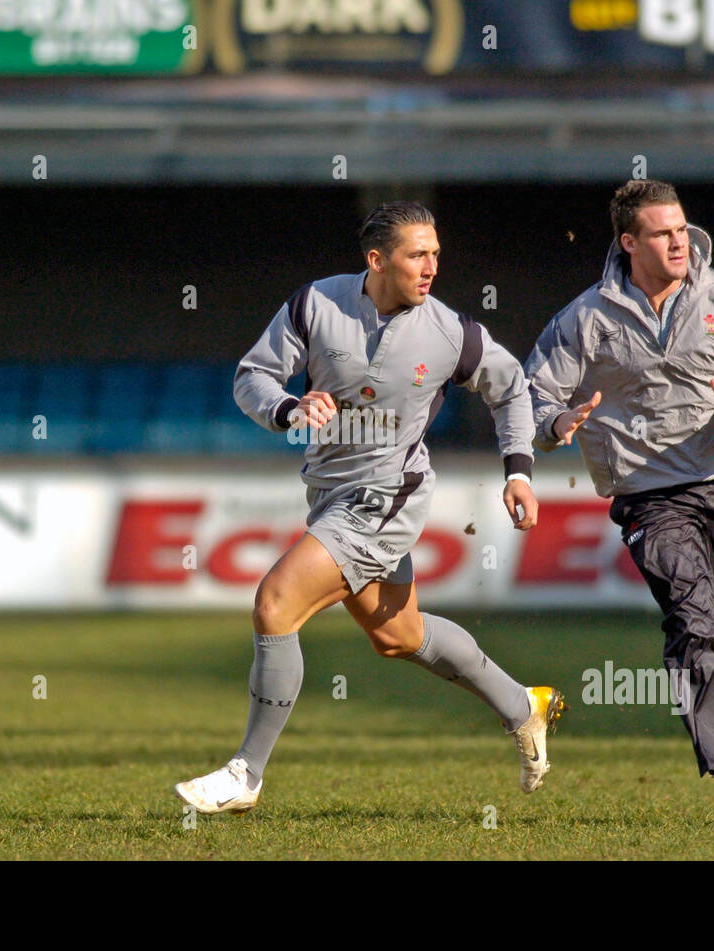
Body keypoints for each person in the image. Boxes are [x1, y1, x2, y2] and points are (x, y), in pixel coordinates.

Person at [174, 201, 566, 815]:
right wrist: (287, 408)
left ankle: (246, 772)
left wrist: (518, 471)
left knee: (275, 602)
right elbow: (252, 376)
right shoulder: (315, 304)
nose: (432, 266)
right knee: (398, 634)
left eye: (436, 253)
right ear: (377, 260)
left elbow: (511, 386)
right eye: (418, 254)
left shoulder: (449, 332)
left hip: (389, 494)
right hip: (330, 490)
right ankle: (524, 704)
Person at [525, 180, 714, 829]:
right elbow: (531, 395)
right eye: (661, 232)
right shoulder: (585, 319)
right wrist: (555, 422)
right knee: (692, 619)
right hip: (649, 497)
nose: (678, 240)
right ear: (629, 242)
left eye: (681, 228)